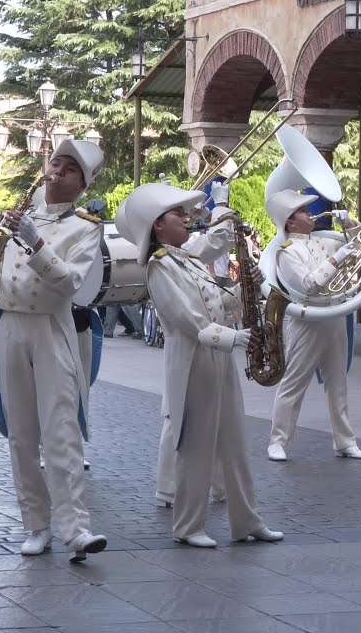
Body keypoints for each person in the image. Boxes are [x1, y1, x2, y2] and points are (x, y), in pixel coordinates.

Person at [117, 181, 283, 548]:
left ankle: (247, 521)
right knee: (195, 446)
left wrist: (246, 289)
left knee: (235, 441)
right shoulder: (160, 267)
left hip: (217, 357)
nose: (187, 219)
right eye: (178, 214)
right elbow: (186, 321)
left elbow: (220, 306)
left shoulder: (190, 261)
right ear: (158, 226)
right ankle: (189, 526)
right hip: (191, 360)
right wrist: (236, 339)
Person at [0, 140, 108, 561]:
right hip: (9, 324)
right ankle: (36, 525)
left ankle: (76, 529)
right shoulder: (18, 215)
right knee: (21, 434)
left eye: (69, 169)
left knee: (60, 429)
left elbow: (70, 281)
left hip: (51, 327)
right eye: (56, 162)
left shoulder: (86, 226)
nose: (57, 172)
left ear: (81, 183)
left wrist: (36, 245)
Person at [264, 190, 361, 463]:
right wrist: (336, 260)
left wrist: (350, 225)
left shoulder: (324, 239)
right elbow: (308, 285)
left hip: (333, 316)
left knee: (338, 383)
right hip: (307, 322)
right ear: (290, 222)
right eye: (302, 212)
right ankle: (278, 440)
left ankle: (345, 441)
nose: (309, 214)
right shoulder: (286, 252)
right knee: (293, 384)